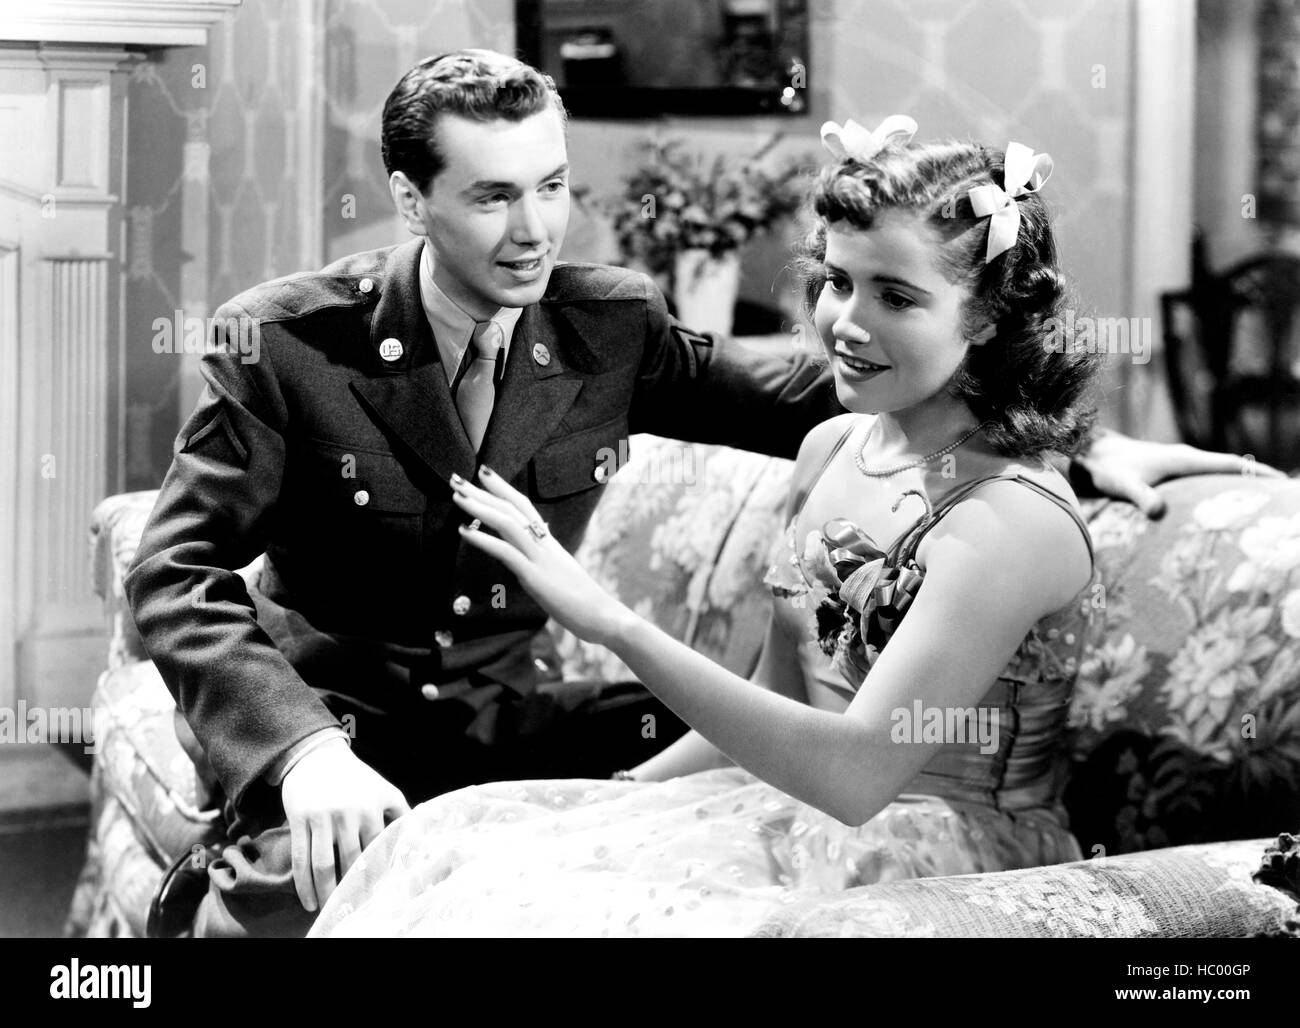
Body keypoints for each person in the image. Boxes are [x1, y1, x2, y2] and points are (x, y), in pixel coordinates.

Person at [124, 49, 1275, 940]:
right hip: (346, 720)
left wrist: (1081, 444)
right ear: (410, 199)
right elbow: (170, 570)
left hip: (504, 716)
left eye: (554, 188)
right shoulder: (287, 341)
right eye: (490, 198)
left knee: (515, 851)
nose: (533, 231)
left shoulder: (603, 322)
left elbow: (846, 390)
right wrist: (301, 752)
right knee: (289, 899)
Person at [306, 122, 1140, 937]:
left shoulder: (1008, 519)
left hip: (944, 867)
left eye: (897, 297)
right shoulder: (832, 448)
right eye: (839, 281)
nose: (847, 322)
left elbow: (855, 777)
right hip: (792, 812)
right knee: (459, 837)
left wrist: (610, 623)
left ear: (989, 316)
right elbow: (777, 700)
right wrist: (624, 792)